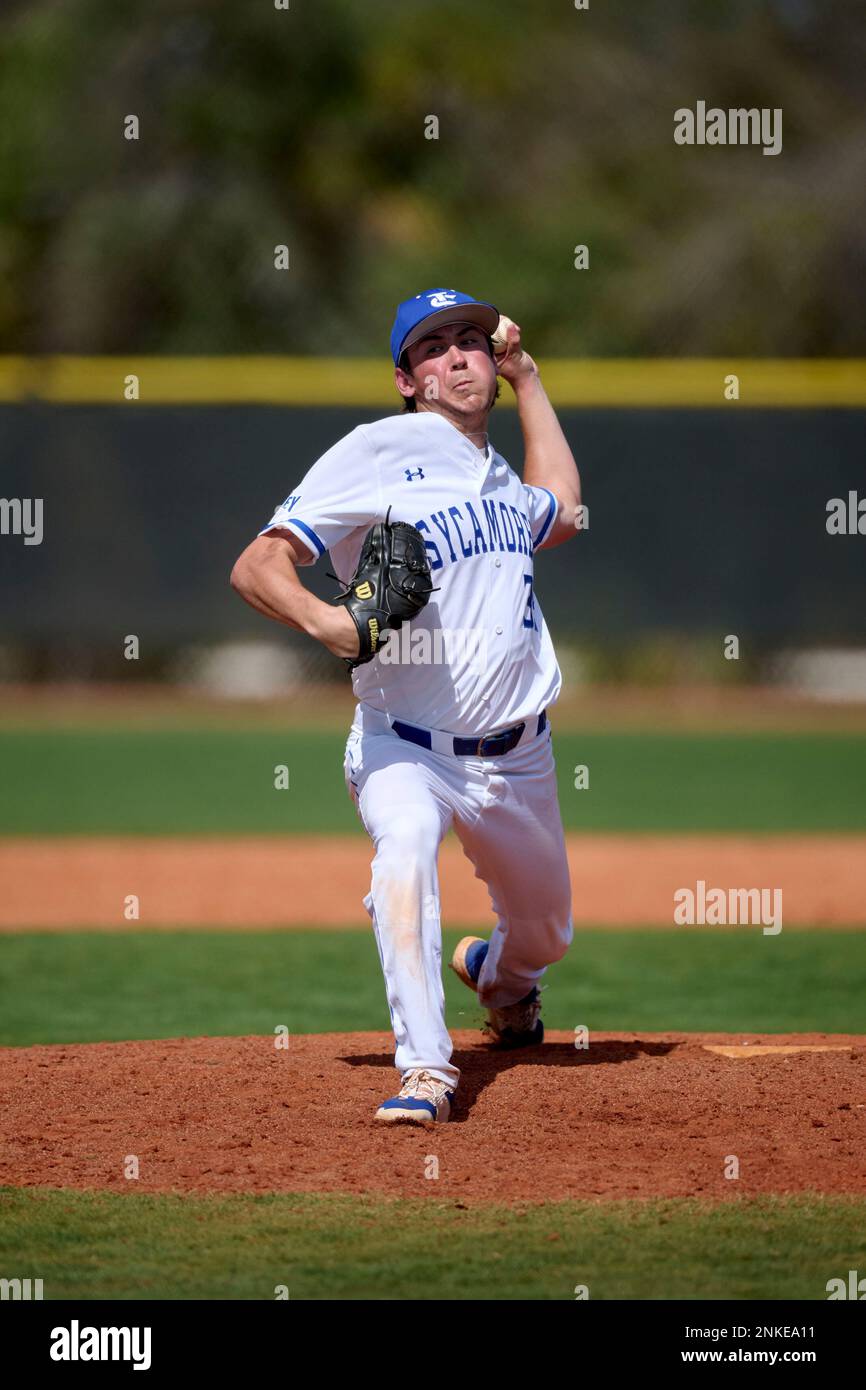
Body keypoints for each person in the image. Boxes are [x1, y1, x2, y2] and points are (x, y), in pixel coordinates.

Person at [231, 287, 582, 1126]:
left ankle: (501, 984)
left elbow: (563, 509)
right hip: (404, 744)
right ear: (407, 379)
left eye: (470, 340)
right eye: (435, 348)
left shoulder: (498, 479)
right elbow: (257, 565)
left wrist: (528, 376)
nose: (459, 356)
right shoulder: (379, 450)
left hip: (517, 757)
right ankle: (426, 1071)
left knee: (546, 935)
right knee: (406, 853)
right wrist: (329, 623)